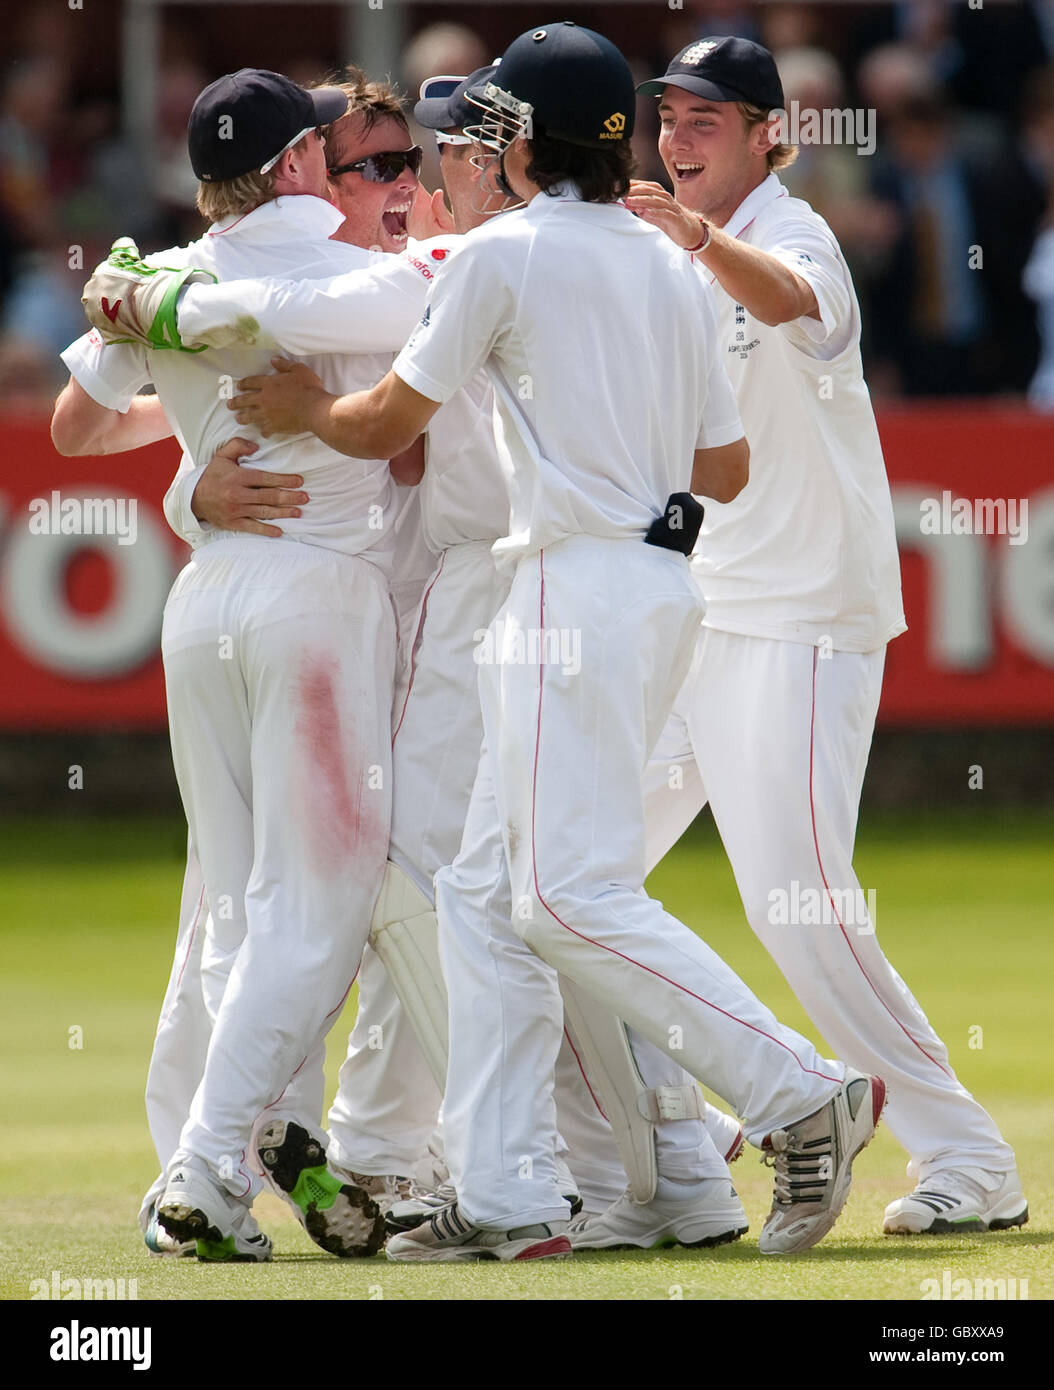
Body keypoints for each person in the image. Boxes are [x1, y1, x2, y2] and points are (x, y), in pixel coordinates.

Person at [225, 21, 885, 1263]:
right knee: (483, 896)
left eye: (487, 126)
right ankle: (564, 1188)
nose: (472, 146)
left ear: (524, 141)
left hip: (563, 590)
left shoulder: (503, 256)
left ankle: (800, 1087)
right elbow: (727, 468)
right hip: (655, 587)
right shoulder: (658, 257)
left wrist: (307, 403)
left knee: (562, 896)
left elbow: (379, 426)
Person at [599, 34, 1027, 1238]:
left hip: (803, 616)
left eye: (705, 122)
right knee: (572, 881)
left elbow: (798, 310)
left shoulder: (795, 237)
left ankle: (967, 1157)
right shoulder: (664, 258)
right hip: (696, 608)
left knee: (797, 900)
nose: (676, 141)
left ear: (768, 137)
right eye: (666, 121)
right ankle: (728, 1126)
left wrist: (691, 240)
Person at [54, 67, 418, 1261]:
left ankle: (250, 1150)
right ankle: (208, 1178)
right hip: (316, 593)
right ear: (303, 163)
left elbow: (74, 427)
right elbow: (414, 314)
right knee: (315, 906)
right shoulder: (354, 274)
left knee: (232, 902)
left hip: (205, 601)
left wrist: (189, 420)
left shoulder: (176, 269)